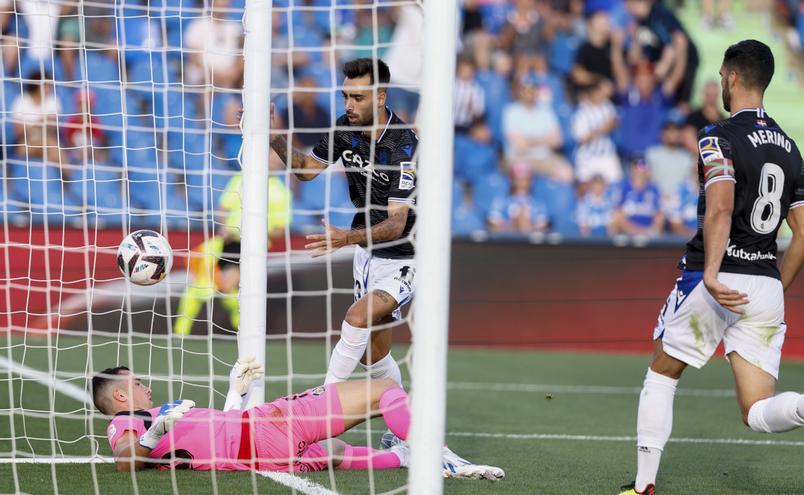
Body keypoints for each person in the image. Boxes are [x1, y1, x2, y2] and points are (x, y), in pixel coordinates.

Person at [617, 40, 804, 495]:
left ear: (731, 77)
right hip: (765, 286)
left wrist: (711, 273)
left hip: (718, 278)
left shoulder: (718, 135)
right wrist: (775, 286)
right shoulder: (790, 148)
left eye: (720, 76)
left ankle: (643, 487)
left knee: (661, 371)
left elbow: (720, 207)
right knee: (755, 410)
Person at [92, 358, 504, 479]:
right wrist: (153, 434)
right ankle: (441, 454)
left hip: (260, 455)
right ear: (122, 395)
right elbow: (127, 460)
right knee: (383, 391)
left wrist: (233, 394)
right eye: (139, 383)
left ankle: (405, 458)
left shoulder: (154, 417)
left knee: (335, 452)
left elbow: (214, 438)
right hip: (266, 427)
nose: (147, 387)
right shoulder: (131, 421)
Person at [266, 58, 415, 390]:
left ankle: (320, 403)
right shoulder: (344, 128)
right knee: (372, 357)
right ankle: (406, 426)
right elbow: (305, 170)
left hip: (405, 257)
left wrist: (346, 238)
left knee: (355, 319)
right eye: (346, 95)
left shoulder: (402, 146)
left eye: (357, 98)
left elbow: (397, 224)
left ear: (380, 96)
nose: (349, 105)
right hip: (366, 256)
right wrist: (275, 136)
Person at [173, 154, 291, 336]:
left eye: (277, 160)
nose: (273, 162)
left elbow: (281, 229)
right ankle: (180, 332)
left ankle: (243, 331)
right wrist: (223, 227)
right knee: (207, 286)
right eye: (270, 158)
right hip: (226, 242)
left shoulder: (281, 193)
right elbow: (223, 207)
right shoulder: (241, 179)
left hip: (252, 249)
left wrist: (258, 232)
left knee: (225, 286)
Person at [571, 82, 622, 184]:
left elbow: (615, 122)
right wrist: (601, 130)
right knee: (583, 186)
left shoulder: (607, 106)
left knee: (616, 183)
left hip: (607, 154)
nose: (601, 95)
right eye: (598, 92)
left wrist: (599, 131)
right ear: (592, 94)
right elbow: (582, 139)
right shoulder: (581, 112)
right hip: (587, 156)